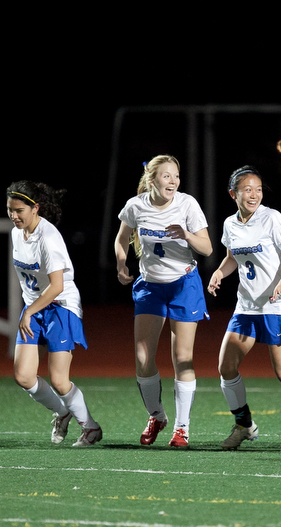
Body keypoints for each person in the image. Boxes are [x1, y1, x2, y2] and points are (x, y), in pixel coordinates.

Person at [207, 166, 281, 450]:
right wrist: (218, 274)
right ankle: (244, 425)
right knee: (226, 367)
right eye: (247, 189)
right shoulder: (229, 224)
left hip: (275, 306)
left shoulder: (271, 218)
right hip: (246, 306)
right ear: (233, 194)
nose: (254, 194)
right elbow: (232, 258)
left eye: (258, 189)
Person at [115, 155, 213, 447]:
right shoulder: (136, 206)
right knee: (143, 358)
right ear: (152, 179)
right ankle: (157, 416)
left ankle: (182, 429)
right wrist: (121, 264)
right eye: (166, 176)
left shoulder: (187, 204)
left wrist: (186, 235)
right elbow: (121, 238)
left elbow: (207, 248)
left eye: (176, 176)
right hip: (150, 287)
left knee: (182, 358)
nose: (173, 181)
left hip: (184, 284)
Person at [7, 181, 102, 447]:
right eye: (10, 210)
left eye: (19, 210)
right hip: (36, 307)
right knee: (24, 376)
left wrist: (28, 312)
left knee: (60, 381)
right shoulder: (17, 233)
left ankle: (91, 428)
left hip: (60, 306)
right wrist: (31, 309)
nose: (14, 216)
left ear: (35, 208)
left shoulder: (48, 237)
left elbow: (57, 286)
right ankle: (62, 412)